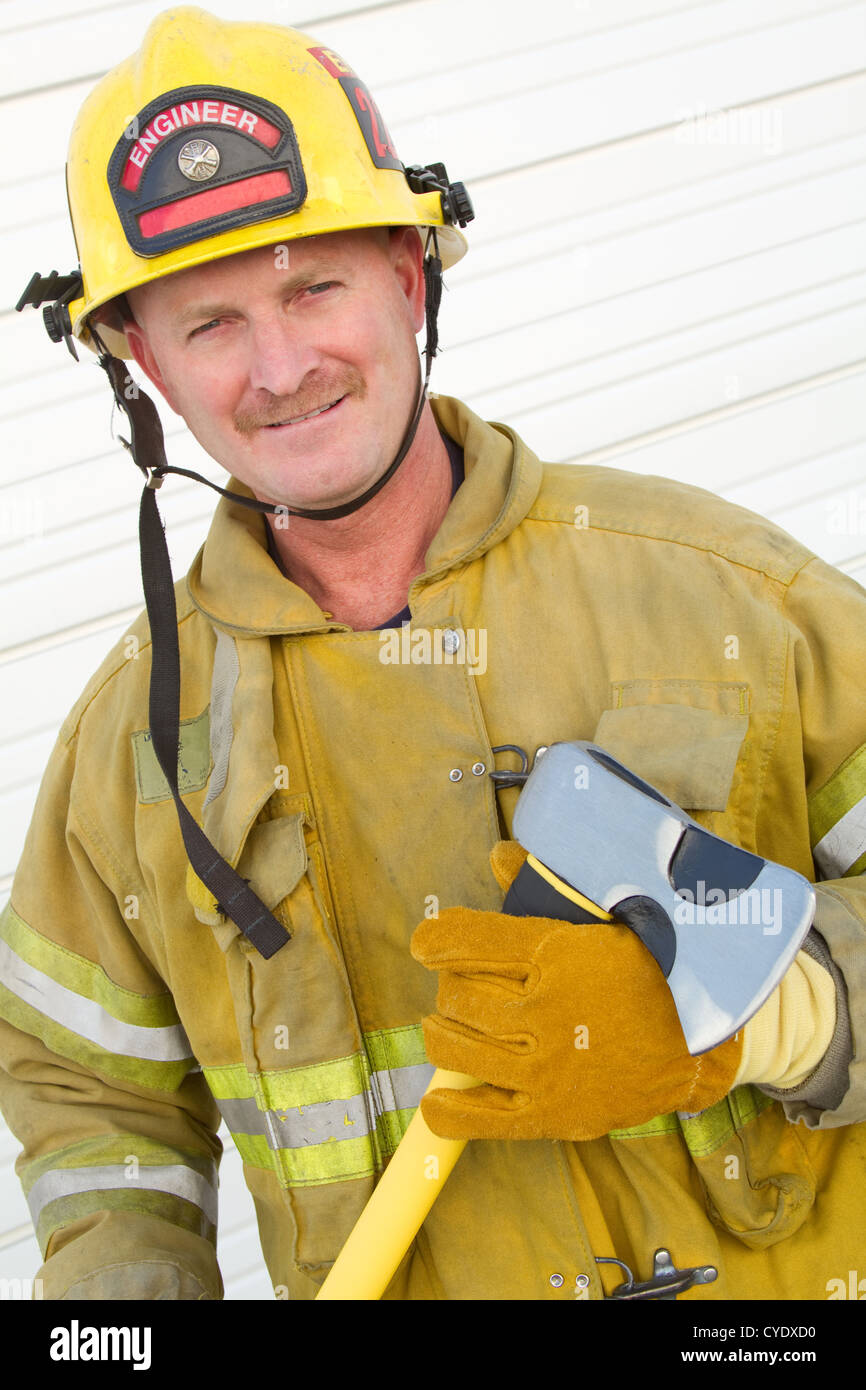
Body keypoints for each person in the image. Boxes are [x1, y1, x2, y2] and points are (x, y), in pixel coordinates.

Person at [2, 6, 865, 1303]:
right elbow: (91, 1103)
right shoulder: (132, 752)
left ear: (410, 274)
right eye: (210, 322)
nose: (280, 366)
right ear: (147, 369)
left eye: (313, 286)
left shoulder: (729, 596)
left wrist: (771, 1017)